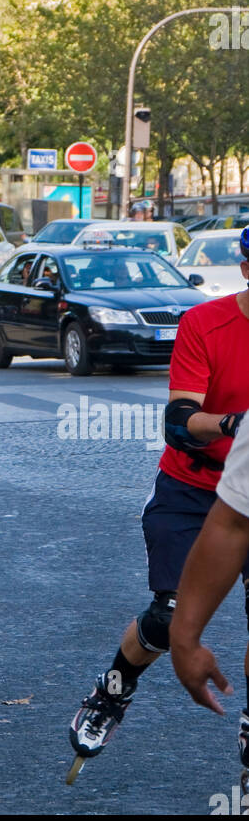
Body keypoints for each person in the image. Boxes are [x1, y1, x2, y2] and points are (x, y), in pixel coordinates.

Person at [67, 223, 249, 779]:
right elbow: (178, 420)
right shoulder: (206, 323)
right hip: (194, 486)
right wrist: (234, 425)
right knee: (170, 616)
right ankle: (114, 689)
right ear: (246, 270)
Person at [170, 413, 249, 797]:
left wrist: (185, 638)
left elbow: (234, 523)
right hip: (187, 488)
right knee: (161, 613)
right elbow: (234, 522)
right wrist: (183, 636)